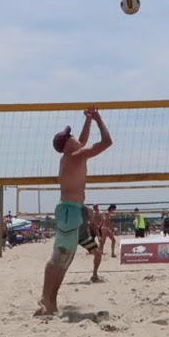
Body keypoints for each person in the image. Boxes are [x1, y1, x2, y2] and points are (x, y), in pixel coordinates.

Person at [36, 106, 112, 316]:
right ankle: (45, 298)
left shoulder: (72, 155)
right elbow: (107, 142)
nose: (74, 137)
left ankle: (50, 301)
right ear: (67, 144)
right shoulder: (75, 157)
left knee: (64, 258)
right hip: (69, 211)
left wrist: (87, 119)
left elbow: (83, 141)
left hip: (72, 210)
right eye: (70, 136)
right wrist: (98, 119)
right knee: (60, 256)